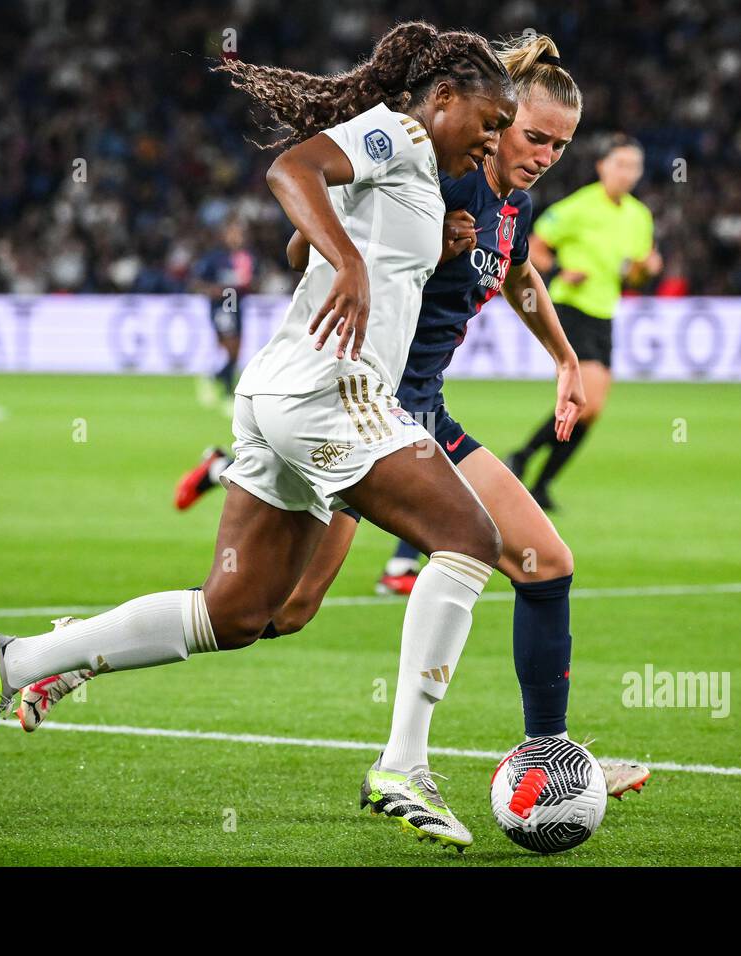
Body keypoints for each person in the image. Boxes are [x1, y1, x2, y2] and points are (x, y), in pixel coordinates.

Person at [0, 21, 518, 853]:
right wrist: (353, 265)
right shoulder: (395, 132)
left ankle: (19, 659)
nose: (494, 141)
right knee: (470, 539)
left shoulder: (420, 171)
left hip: (279, 392)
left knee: (240, 613)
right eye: (490, 122)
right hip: (331, 390)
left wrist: (409, 245)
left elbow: (301, 239)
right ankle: (404, 766)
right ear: (441, 99)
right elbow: (291, 171)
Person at [86, 33, 649, 803]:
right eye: (534, 135)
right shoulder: (432, 167)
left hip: (423, 415)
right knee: (278, 609)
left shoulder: (511, 201)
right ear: (502, 115)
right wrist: (376, 254)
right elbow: (297, 246)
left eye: (563, 144)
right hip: (365, 410)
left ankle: (543, 756)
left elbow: (516, 272)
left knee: (536, 562)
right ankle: (77, 658)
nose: (548, 153)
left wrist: (562, 356)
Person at [506, 133, 662, 510]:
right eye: (620, 164)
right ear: (602, 167)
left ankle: (538, 479)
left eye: (633, 167)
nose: (627, 174)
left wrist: (645, 270)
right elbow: (535, 245)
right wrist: (560, 269)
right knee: (586, 404)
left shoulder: (639, 217)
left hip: (604, 312)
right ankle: (523, 457)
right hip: (570, 308)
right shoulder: (578, 207)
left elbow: (634, 276)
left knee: (592, 410)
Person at [192, 217, 256, 400]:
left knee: (237, 350)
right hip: (222, 306)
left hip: (237, 305)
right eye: (232, 233)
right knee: (230, 346)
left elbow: (252, 282)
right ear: (224, 235)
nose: (236, 237)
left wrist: (247, 284)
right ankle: (225, 386)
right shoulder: (214, 258)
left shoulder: (247, 257)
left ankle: (219, 380)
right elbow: (196, 283)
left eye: (239, 234)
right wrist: (214, 290)